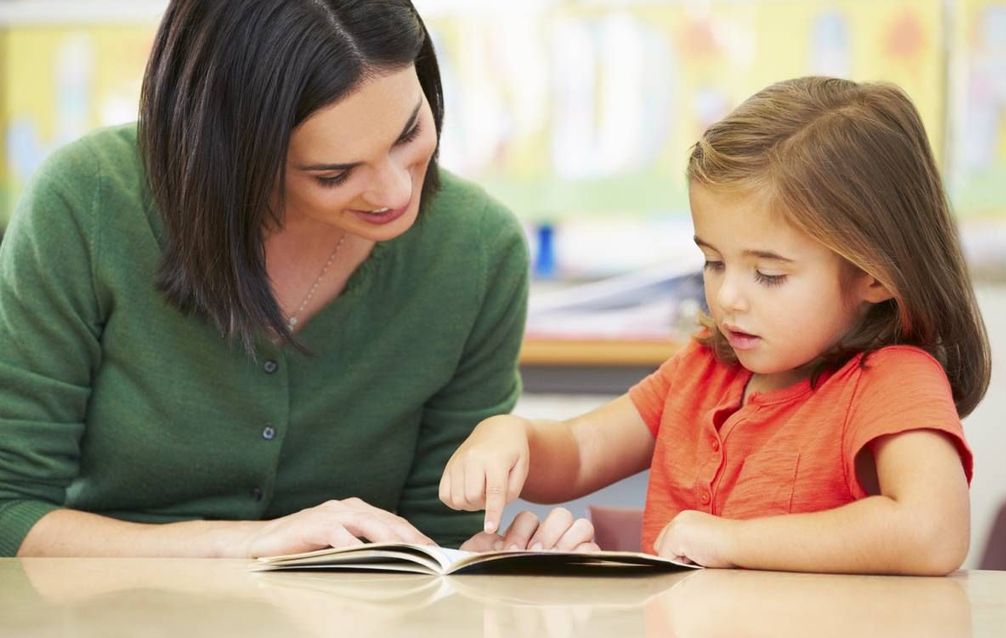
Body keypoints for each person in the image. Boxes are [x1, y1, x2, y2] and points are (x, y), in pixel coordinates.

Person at [0, 0, 588, 558]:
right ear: (230, 157)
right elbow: (10, 508)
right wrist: (241, 547)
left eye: (409, 134)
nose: (395, 191)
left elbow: (436, 536)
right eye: (334, 172)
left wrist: (485, 559)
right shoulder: (88, 204)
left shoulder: (478, 249)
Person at [440, 76, 992, 574]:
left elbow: (931, 533)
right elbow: (583, 451)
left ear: (874, 275)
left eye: (769, 274)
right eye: (713, 262)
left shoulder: (892, 380)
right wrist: (509, 437)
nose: (728, 297)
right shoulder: (703, 368)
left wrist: (732, 540)